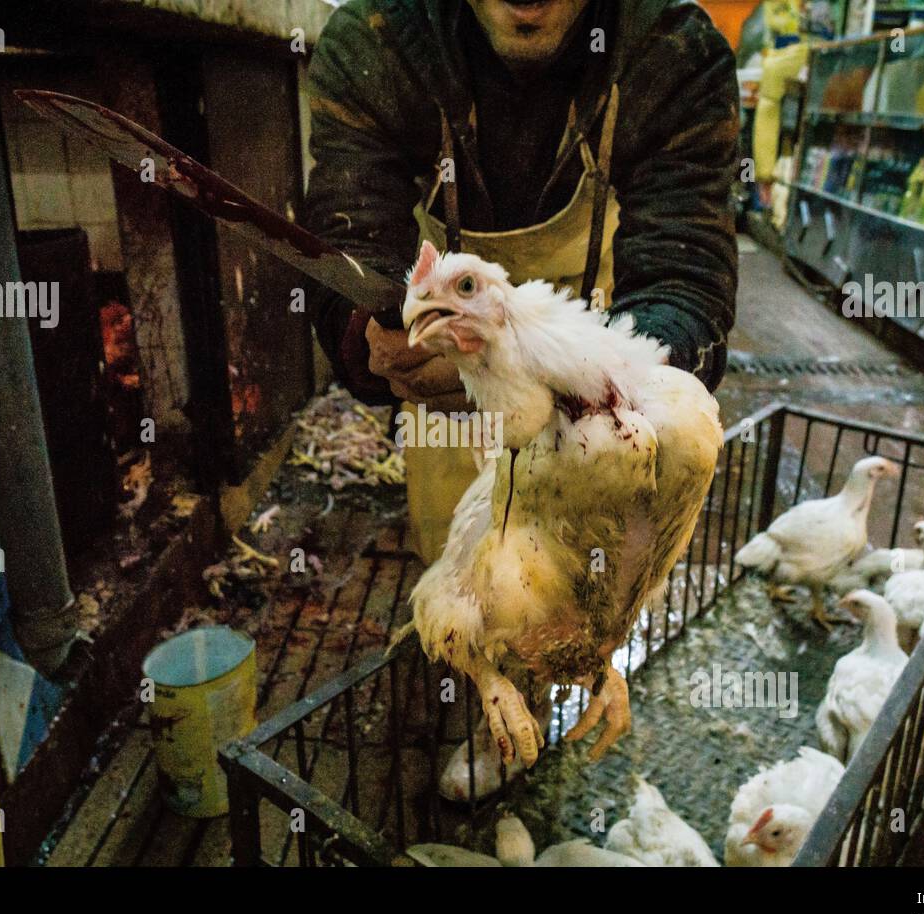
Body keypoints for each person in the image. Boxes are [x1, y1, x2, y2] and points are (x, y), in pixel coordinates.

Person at [302, 0, 738, 794]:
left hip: (599, 361)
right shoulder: (379, 40)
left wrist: (587, 378)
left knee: (597, 555)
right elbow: (348, 235)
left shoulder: (670, 49)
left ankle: (582, 662)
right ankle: (491, 704)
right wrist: (377, 343)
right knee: (479, 569)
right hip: (451, 385)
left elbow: (686, 271)